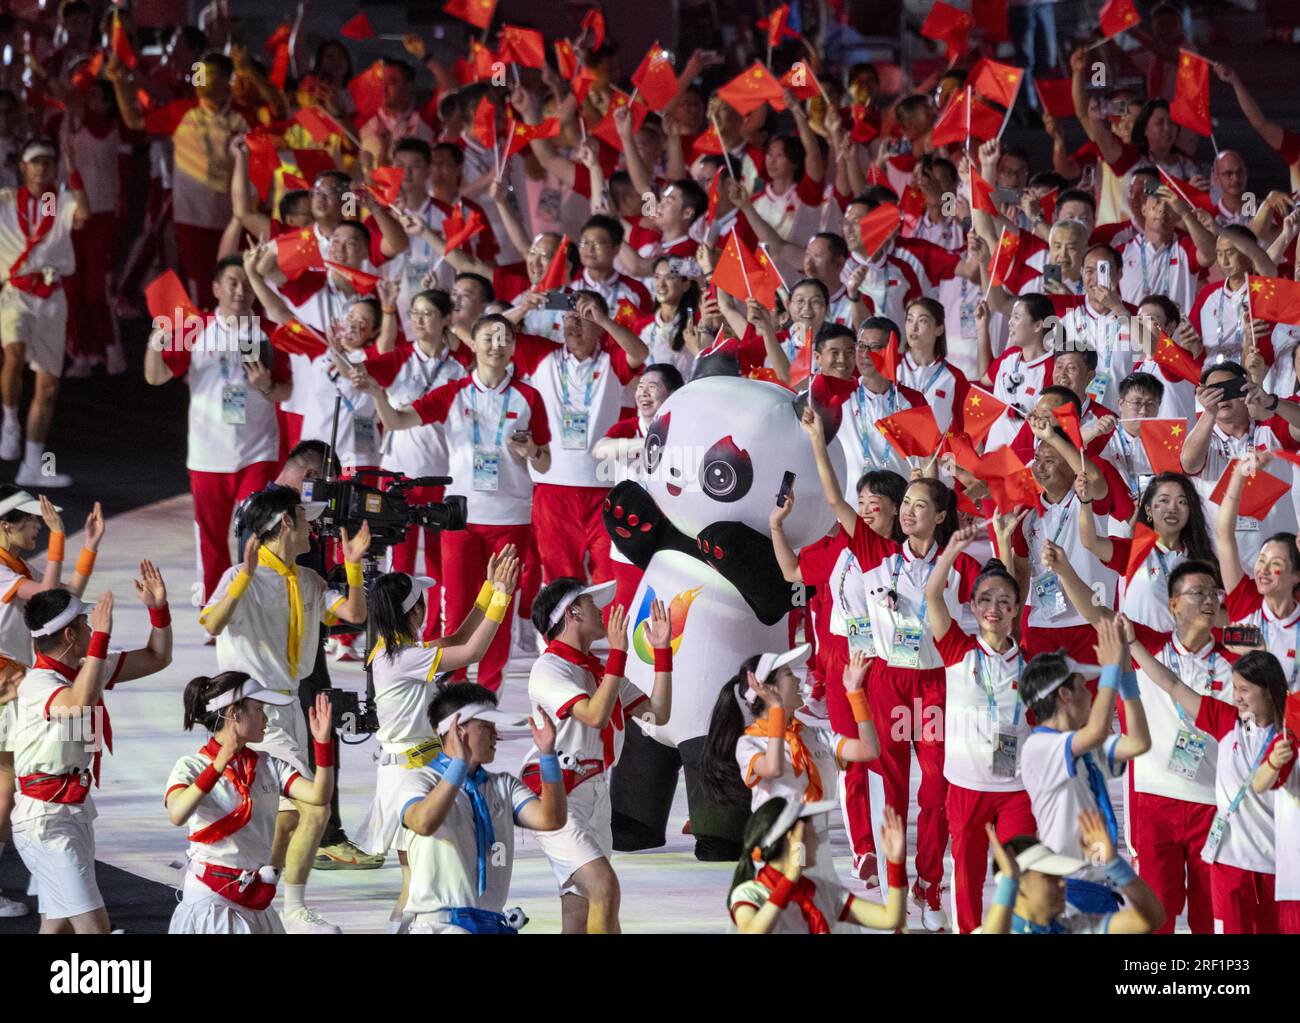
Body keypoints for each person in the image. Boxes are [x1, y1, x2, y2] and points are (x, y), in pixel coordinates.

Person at [200, 485, 370, 932]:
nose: (314, 526)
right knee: (311, 809)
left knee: (287, 813)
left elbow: (354, 612)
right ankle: (290, 910)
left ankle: (256, 888)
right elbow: (213, 622)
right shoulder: (243, 575)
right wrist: (243, 576)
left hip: (290, 708)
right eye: (305, 517)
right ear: (284, 524)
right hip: (254, 713)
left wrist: (352, 565)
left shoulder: (309, 580)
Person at [352, 315, 550, 689]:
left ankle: (487, 691)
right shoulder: (454, 392)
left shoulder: (529, 397)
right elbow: (395, 422)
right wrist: (378, 393)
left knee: (499, 608)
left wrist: (533, 450)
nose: (497, 344)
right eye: (488, 337)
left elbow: (545, 460)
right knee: (457, 608)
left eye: (505, 338)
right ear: (472, 344)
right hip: (459, 516)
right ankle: (452, 690)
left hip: (510, 516)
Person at [354, 552, 519, 925]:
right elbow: (473, 651)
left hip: (415, 767)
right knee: (414, 885)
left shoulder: (400, 651)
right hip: (406, 775)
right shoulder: (404, 658)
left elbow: (460, 638)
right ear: (413, 613)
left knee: (419, 882)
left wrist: (489, 590)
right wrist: (504, 598)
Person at [11, 566, 174, 934]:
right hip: (47, 820)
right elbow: (77, 704)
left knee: (57, 926)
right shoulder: (38, 683)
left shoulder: (84, 668)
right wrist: (101, 637)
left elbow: (156, 657)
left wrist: (158, 610)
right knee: (94, 928)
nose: (90, 627)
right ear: (70, 635)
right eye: (85, 624)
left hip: (72, 810)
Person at [524, 581, 673, 934]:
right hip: (557, 793)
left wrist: (663, 651)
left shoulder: (599, 670)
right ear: (572, 613)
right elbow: (594, 715)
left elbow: (657, 713)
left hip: (594, 793)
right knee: (604, 887)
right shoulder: (549, 668)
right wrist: (619, 657)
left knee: (580, 913)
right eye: (592, 603)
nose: (603, 610)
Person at [145, 254, 291, 600]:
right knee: (210, 539)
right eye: (233, 282)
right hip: (208, 453)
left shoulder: (269, 331)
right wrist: (156, 340)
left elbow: (288, 389)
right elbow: (155, 377)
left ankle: (258, 606)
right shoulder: (195, 329)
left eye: (246, 283)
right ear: (215, 288)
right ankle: (217, 610)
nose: (241, 290)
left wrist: (267, 386)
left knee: (259, 533)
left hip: (259, 449)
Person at [924, 526, 1036, 934]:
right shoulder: (957, 650)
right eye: (985, 599)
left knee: (1020, 873)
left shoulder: (1032, 661)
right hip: (967, 788)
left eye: (1004, 601)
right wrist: (951, 551)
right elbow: (933, 596)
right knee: (968, 878)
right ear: (971, 606)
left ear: (1015, 609)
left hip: (1017, 791)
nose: (994, 607)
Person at [165, 675, 335, 934]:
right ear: (234, 713)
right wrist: (219, 764)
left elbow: (318, 796)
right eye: (259, 709)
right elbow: (177, 814)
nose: (266, 719)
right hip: (212, 900)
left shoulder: (268, 764)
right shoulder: (191, 766)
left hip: (255, 897)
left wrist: (323, 745)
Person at [701, 645, 881, 887]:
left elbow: (869, 750)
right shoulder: (750, 743)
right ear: (768, 688)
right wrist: (776, 710)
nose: (798, 679)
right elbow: (773, 768)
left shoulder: (814, 735)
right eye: (788, 673)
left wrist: (855, 695)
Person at [1140, 647, 1291, 933]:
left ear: (1269, 691)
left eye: (1244, 689)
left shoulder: (1289, 736)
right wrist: (1134, 645)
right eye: (1234, 688)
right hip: (1229, 862)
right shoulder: (1225, 719)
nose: (1236, 697)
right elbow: (1172, 684)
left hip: (1274, 862)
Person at [398, 684, 568, 934]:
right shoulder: (421, 780)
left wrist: (548, 756)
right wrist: (459, 765)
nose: (495, 735)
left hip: (492, 922)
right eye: (486, 727)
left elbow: (551, 819)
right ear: (457, 730)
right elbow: (423, 823)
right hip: (440, 925)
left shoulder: (503, 785)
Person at [1016, 616, 1151, 914]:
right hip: (1067, 889)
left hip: (1099, 884)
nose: (1092, 693)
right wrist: (1111, 669)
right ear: (1063, 695)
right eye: (1083, 686)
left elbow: (1139, 742)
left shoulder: (1083, 744)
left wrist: (1126, 676)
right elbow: (1098, 731)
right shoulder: (1039, 747)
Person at [0, 137, 90, 488]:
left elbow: (84, 215)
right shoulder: (7, 202)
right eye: (34, 162)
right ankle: (9, 420)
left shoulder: (60, 201)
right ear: (22, 168)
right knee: (14, 353)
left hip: (52, 297)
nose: (41, 168)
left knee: (48, 386)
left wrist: (74, 170)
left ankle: (34, 466)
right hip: (16, 294)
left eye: (47, 163)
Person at [727, 797, 908, 934]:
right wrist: (791, 876)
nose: (819, 839)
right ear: (793, 839)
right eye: (813, 829)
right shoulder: (750, 894)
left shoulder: (821, 891)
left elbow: (891, 918)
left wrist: (895, 863)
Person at [979, 809, 1167, 934]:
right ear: (1018, 887)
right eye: (1049, 878)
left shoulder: (1075, 928)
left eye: (1059, 876)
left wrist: (1115, 865)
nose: (1062, 883)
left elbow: (1152, 919)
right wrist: (1009, 883)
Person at [0, 487, 101, 667]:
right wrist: (56, 535)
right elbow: (46, 593)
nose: (39, 524)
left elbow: (70, 594)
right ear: (6, 525)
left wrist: (90, 546)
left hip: (13, 672)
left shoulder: (19, 566)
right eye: (30, 518)